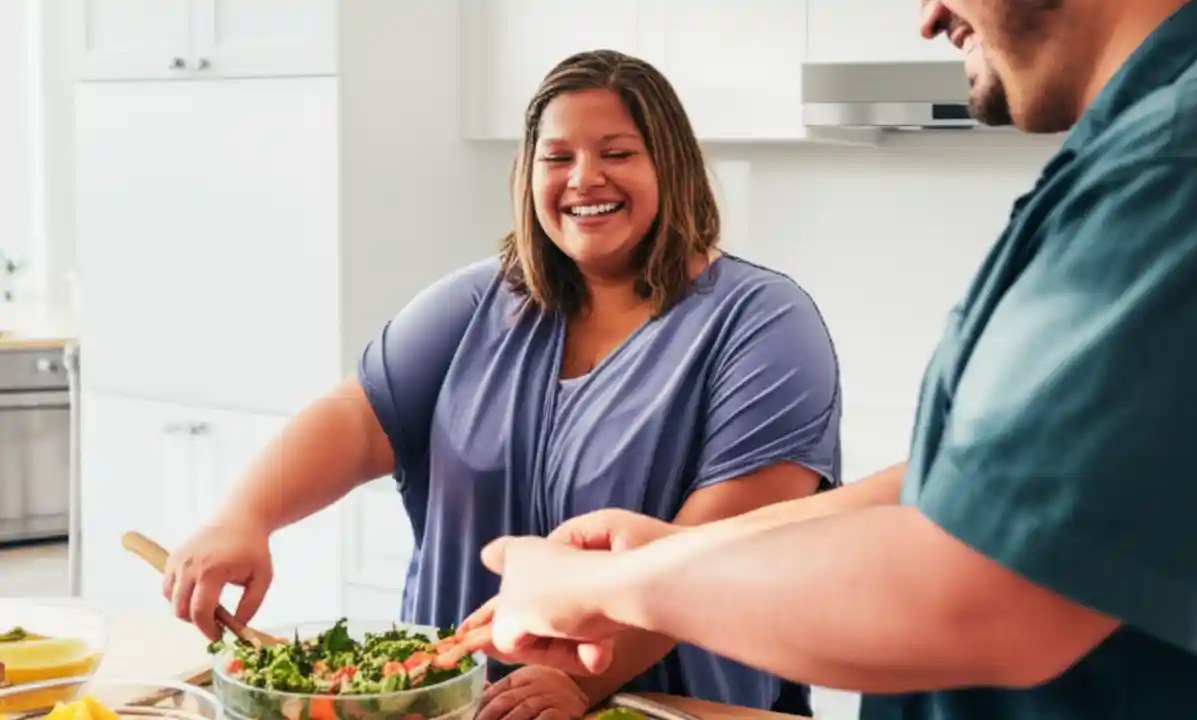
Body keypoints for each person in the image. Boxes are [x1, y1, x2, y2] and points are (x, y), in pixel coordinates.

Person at [444, 0, 1197, 718]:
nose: (927, 17)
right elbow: (956, 488)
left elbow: (975, 596)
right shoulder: (1175, 132)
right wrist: (664, 557)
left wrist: (607, 589)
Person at [160, 49, 843, 718]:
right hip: (450, 704)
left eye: (617, 153)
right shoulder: (479, 302)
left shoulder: (762, 325)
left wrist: (578, 683)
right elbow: (355, 420)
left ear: (672, 166)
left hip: (669, 706)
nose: (585, 179)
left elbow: (713, 553)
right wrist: (245, 517)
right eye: (558, 156)